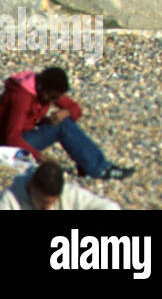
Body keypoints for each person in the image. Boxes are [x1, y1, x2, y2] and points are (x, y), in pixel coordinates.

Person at [0, 67, 134, 180]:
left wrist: (65, 112)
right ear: (43, 88)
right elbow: (11, 138)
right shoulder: (22, 98)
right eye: (53, 97)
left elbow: (75, 109)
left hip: (23, 135)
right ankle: (98, 169)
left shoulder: (45, 89)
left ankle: (90, 163)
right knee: (62, 126)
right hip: (7, 147)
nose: (54, 100)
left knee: (63, 122)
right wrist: (40, 157)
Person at [0, 162, 120, 210]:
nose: (47, 207)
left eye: (52, 202)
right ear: (32, 187)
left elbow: (111, 207)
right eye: (44, 202)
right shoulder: (10, 199)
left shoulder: (68, 193)